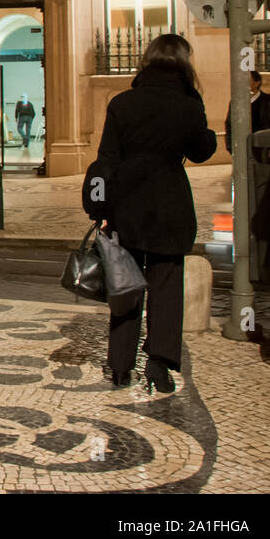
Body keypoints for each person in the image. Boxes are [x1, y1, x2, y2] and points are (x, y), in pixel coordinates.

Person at [82, 34, 217, 393]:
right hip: (170, 205)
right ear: (183, 63)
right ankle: (159, 363)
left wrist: (102, 208)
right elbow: (201, 151)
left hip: (128, 204)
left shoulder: (123, 102)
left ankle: (121, 366)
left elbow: (107, 159)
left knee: (125, 284)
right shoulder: (189, 104)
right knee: (167, 285)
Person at [224, 70, 270, 159]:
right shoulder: (236, 102)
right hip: (242, 150)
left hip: (265, 150)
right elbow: (229, 125)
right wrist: (231, 148)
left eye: (247, 79)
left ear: (257, 83)